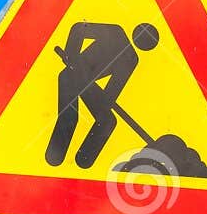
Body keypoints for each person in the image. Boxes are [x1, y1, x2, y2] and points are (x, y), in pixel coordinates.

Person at [45, 20, 160, 170]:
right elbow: (79, 28)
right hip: (70, 75)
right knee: (70, 116)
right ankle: (55, 157)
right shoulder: (116, 32)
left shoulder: (131, 59)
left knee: (107, 121)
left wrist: (104, 100)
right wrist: (72, 54)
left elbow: (112, 91)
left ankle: (84, 160)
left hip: (88, 86)